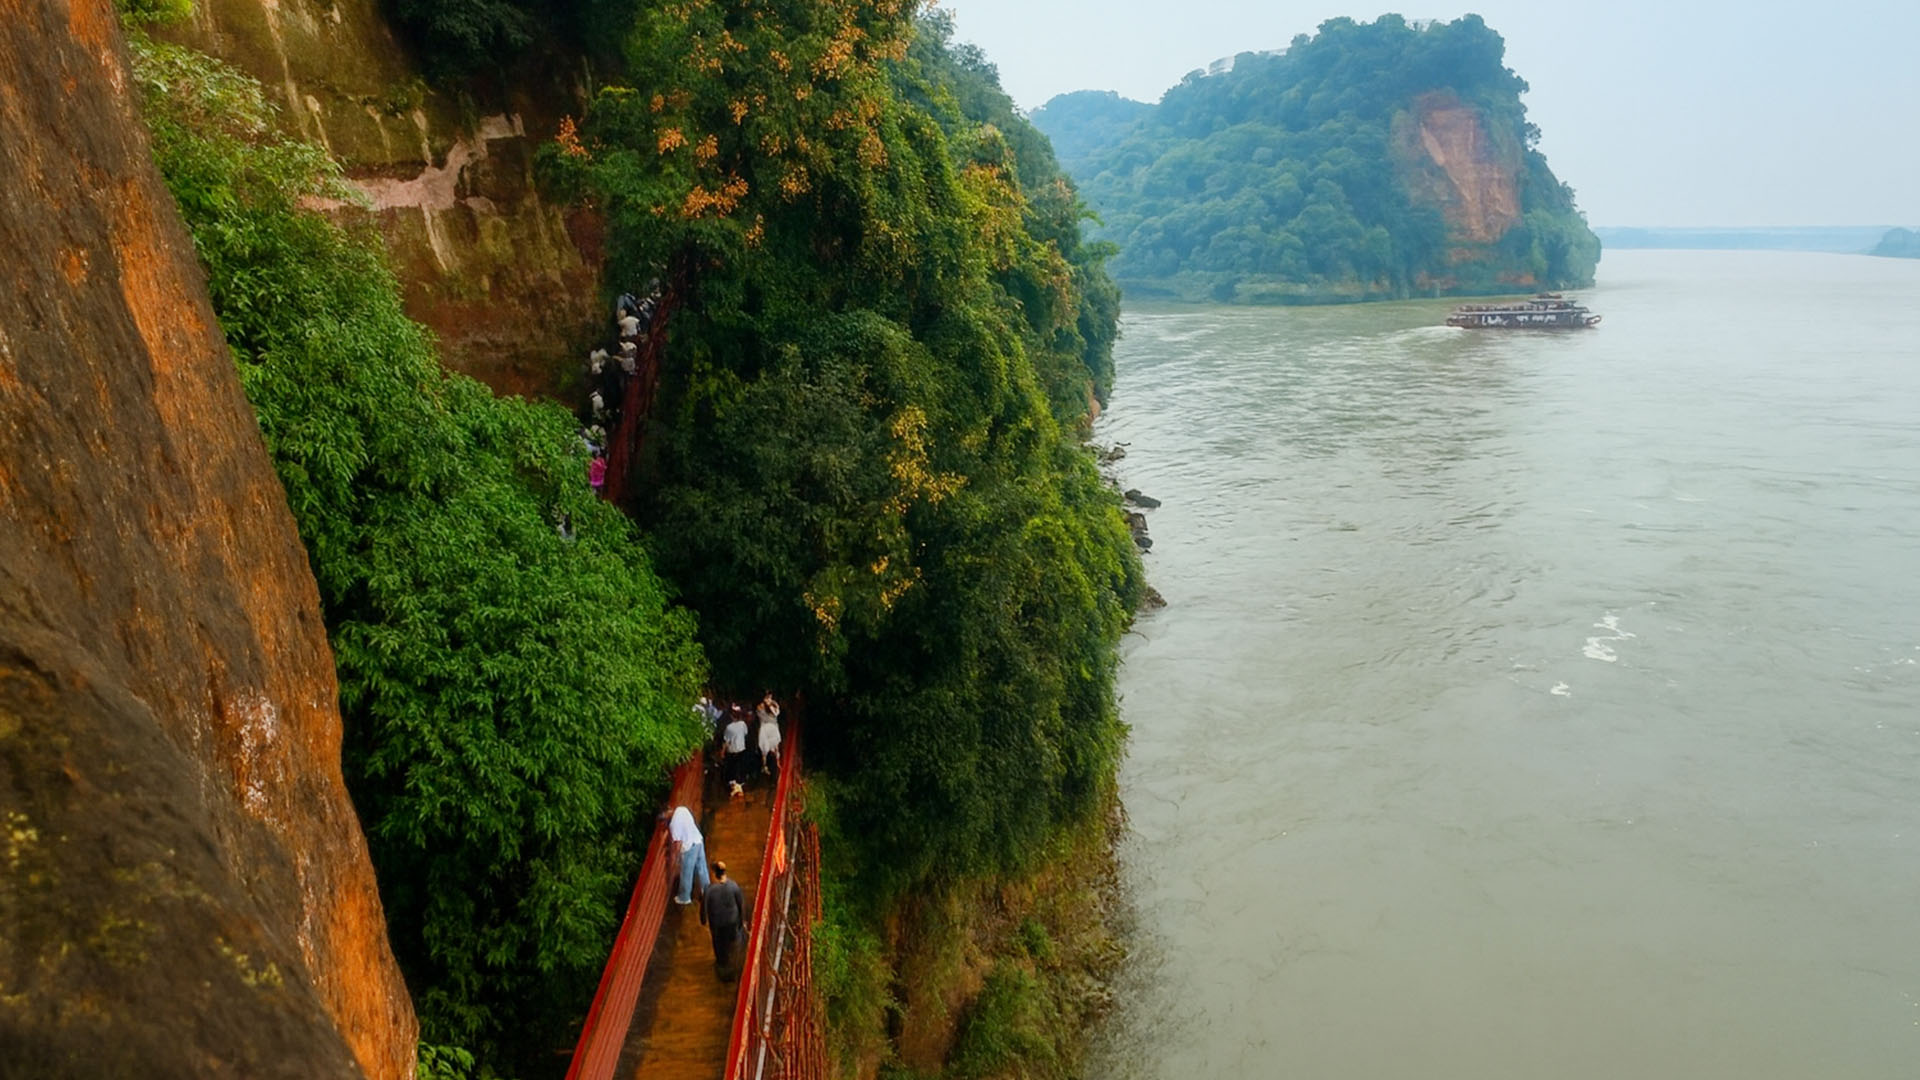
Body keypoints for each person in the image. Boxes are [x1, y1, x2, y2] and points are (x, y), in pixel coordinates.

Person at [699, 860, 748, 981]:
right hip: (732, 922)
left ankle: (723, 970)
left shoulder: (710, 890)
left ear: (715, 873)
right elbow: (741, 904)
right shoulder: (733, 886)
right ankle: (734, 970)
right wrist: (742, 921)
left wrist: (703, 920)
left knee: (720, 947)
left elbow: (704, 908)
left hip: (717, 925)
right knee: (733, 944)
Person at [667, 805, 708, 905]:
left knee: (686, 873)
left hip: (689, 848)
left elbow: (677, 843)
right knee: (702, 869)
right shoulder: (682, 809)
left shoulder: (673, 825)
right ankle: (707, 891)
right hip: (698, 840)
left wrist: (675, 859)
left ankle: (684, 897)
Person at [722, 707, 752, 788]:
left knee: (731, 767)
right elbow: (745, 734)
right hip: (741, 749)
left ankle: (732, 782)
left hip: (732, 750)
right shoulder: (743, 724)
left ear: (732, 716)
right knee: (741, 766)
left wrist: (722, 752)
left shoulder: (729, 727)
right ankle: (742, 781)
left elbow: (726, 741)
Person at [756, 693, 782, 779]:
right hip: (769, 730)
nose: (769, 700)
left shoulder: (769, 707)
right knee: (768, 749)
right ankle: (766, 766)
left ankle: (773, 765)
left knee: (772, 749)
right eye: (768, 698)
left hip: (769, 730)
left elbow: (776, 713)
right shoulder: (764, 707)